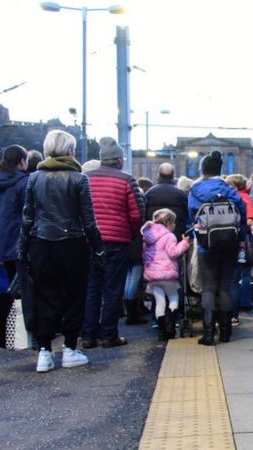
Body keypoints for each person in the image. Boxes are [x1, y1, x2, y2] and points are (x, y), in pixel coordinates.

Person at [19, 129, 104, 373]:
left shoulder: (34, 178)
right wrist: (98, 249)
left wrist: (22, 248)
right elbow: (89, 220)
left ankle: (44, 352)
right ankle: (69, 349)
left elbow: (27, 217)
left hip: (41, 243)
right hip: (73, 244)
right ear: (69, 150)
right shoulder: (79, 179)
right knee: (74, 297)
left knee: (45, 296)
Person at [82, 137, 144, 349]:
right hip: (117, 241)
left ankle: (88, 335)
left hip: (90, 242)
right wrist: (130, 234)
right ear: (118, 159)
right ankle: (109, 335)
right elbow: (137, 214)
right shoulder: (126, 180)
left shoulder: (86, 178)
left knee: (92, 288)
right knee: (113, 289)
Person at [188, 151, 248, 346]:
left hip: (206, 246)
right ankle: (225, 332)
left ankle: (208, 334)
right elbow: (242, 215)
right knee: (225, 287)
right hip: (230, 245)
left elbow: (192, 217)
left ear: (202, 170)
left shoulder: (195, 190)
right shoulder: (229, 190)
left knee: (208, 287)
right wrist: (241, 239)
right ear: (219, 170)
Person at [0, 145, 31, 330]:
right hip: (18, 240)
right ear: (22, 161)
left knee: (6, 284)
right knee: (21, 285)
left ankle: (1, 328)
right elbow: (28, 213)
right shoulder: (24, 182)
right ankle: (17, 331)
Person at [143, 163, 189, 332]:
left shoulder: (149, 193)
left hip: (153, 257)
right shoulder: (180, 194)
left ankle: (158, 321)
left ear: (158, 174)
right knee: (175, 288)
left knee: (158, 296)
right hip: (175, 241)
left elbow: (143, 215)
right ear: (173, 175)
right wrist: (184, 241)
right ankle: (175, 318)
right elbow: (187, 216)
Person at [141, 209, 190, 341]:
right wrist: (184, 243)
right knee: (173, 297)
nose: (174, 225)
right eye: (173, 222)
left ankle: (162, 332)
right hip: (167, 276)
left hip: (153, 276)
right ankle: (171, 327)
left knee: (160, 302)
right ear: (168, 223)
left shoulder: (148, 236)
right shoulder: (169, 236)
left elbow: (144, 255)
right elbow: (174, 253)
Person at [225, 174, 253, 326]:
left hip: (239, 243)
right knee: (235, 280)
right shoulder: (240, 197)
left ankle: (236, 310)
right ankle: (234, 314)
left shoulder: (242, 198)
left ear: (234, 187)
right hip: (237, 242)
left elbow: (250, 220)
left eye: (228, 185)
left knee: (237, 279)